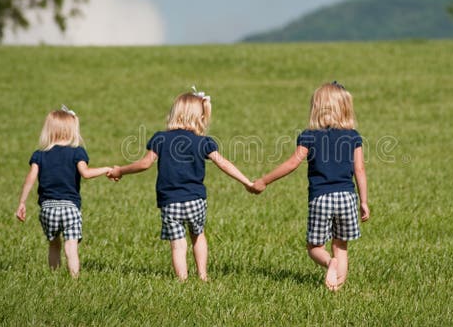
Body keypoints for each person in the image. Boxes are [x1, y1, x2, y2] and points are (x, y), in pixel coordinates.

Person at [107, 89, 254, 282]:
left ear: (174, 113)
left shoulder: (160, 138)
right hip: (196, 201)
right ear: (201, 117)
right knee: (198, 235)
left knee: (177, 244)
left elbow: (144, 164)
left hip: (170, 202)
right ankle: (203, 275)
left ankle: (182, 280)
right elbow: (224, 164)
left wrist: (120, 171)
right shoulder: (203, 142)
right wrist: (247, 182)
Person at [250, 82, 369, 291]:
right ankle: (336, 289)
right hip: (347, 198)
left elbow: (292, 163)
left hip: (321, 198)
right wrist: (364, 201)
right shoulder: (353, 136)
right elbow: (359, 170)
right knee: (341, 246)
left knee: (314, 246)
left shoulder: (309, 135)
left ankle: (328, 263)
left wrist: (264, 180)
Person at [15, 106, 112, 278]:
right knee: (71, 246)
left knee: (54, 244)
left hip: (48, 208)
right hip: (70, 208)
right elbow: (86, 173)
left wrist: (22, 202)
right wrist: (107, 169)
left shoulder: (39, 155)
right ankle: (74, 279)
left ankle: (54, 277)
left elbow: (31, 177)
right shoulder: (77, 152)